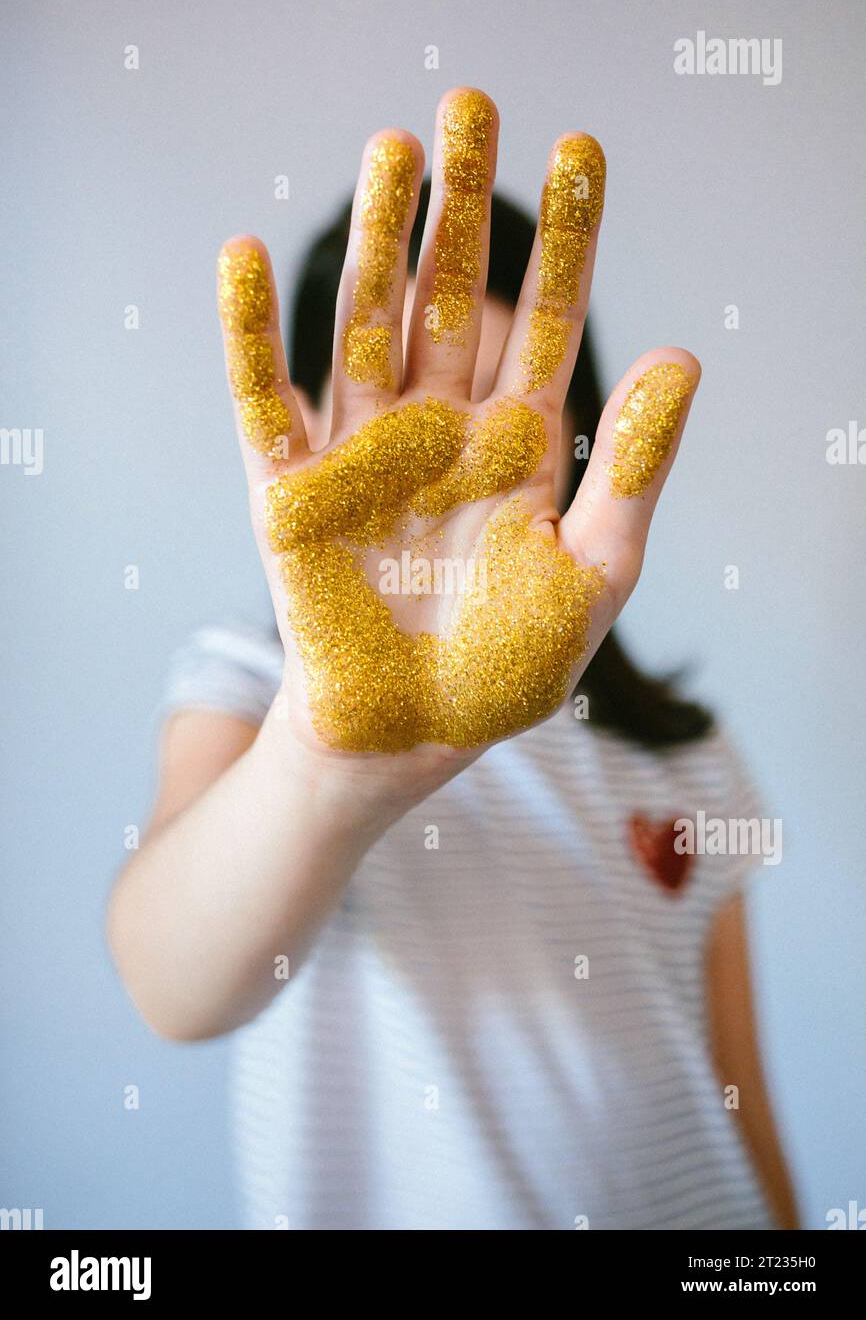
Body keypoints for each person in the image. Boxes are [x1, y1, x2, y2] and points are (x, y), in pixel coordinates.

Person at [108, 88, 798, 1230]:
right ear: (326, 434)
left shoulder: (689, 749)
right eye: (421, 425)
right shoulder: (248, 686)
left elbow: (736, 1091)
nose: (447, 486)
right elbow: (168, 982)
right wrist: (334, 763)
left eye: (498, 410)